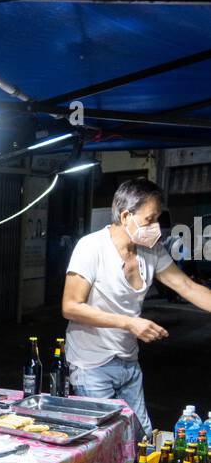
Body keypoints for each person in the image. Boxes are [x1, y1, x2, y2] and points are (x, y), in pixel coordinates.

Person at [62, 178, 211, 439]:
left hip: (128, 361)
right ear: (125, 215)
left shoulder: (151, 250)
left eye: (157, 220)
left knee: (141, 440)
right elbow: (71, 307)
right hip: (91, 364)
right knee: (107, 444)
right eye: (149, 220)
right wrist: (130, 323)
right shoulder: (91, 247)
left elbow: (186, 286)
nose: (155, 228)